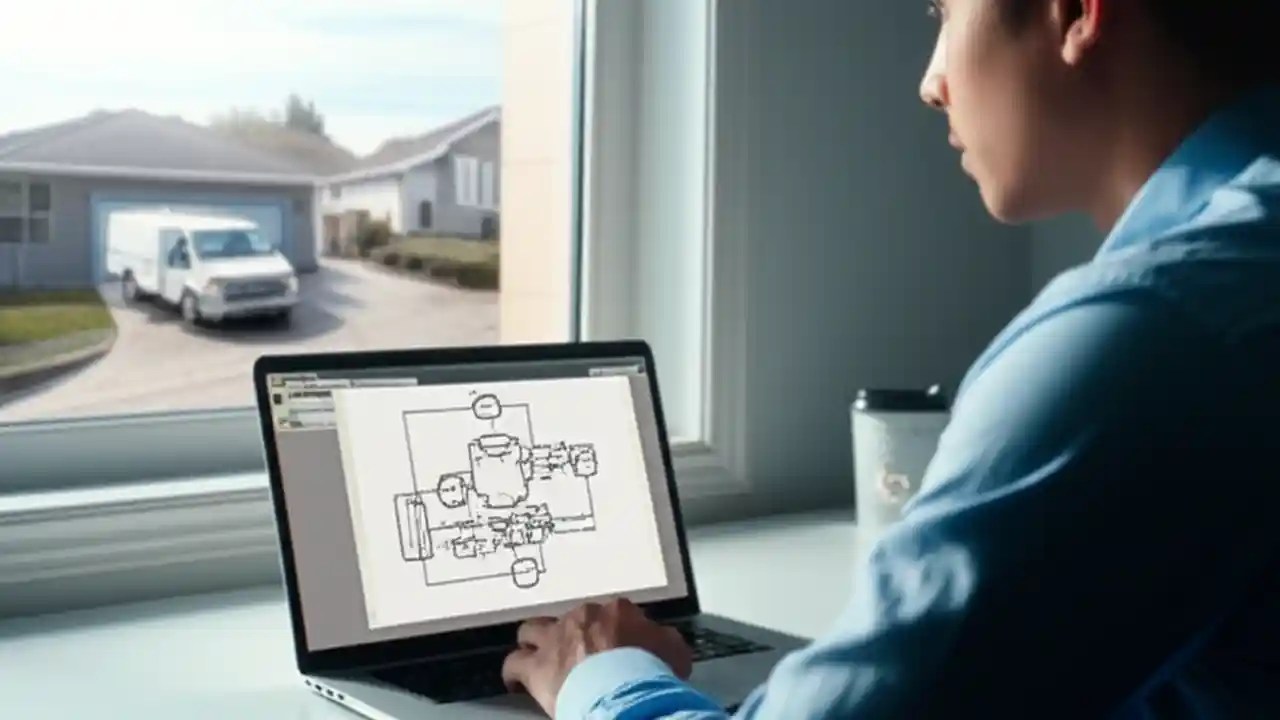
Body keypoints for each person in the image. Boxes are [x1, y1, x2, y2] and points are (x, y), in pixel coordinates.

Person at [501, 0, 1280, 716]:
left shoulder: (1152, 337)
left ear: (1077, 12)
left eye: (946, 11)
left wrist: (604, 678)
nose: (930, 82)